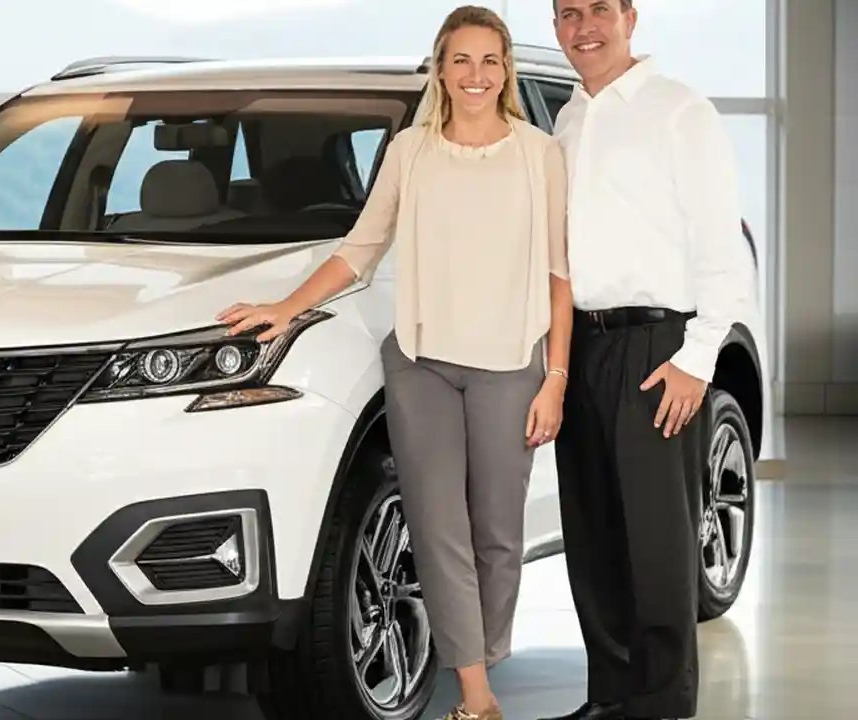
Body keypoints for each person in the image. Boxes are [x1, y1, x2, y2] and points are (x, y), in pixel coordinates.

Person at [217, 6, 573, 719]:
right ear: (440, 68)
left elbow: (560, 275)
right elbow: (361, 246)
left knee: (497, 533)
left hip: (510, 363)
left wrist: (555, 378)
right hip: (422, 364)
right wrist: (286, 307)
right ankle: (476, 692)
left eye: (490, 61)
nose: (476, 75)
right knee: (437, 524)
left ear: (504, 71)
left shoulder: (539, 154)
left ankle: (482, 650)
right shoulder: (411, 151)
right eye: (462, 60)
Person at [539, 2, 749, 720]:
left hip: (658, 346)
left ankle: (661, 705)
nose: (584, 25)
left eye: (600, 8)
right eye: (568, 12)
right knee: (593, 530)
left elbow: (722, 245)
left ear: (631, 16)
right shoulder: (566, 121)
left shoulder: (678, 110)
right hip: (584, 344)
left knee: (656, 539)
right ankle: (612, 694)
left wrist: (696, 358)